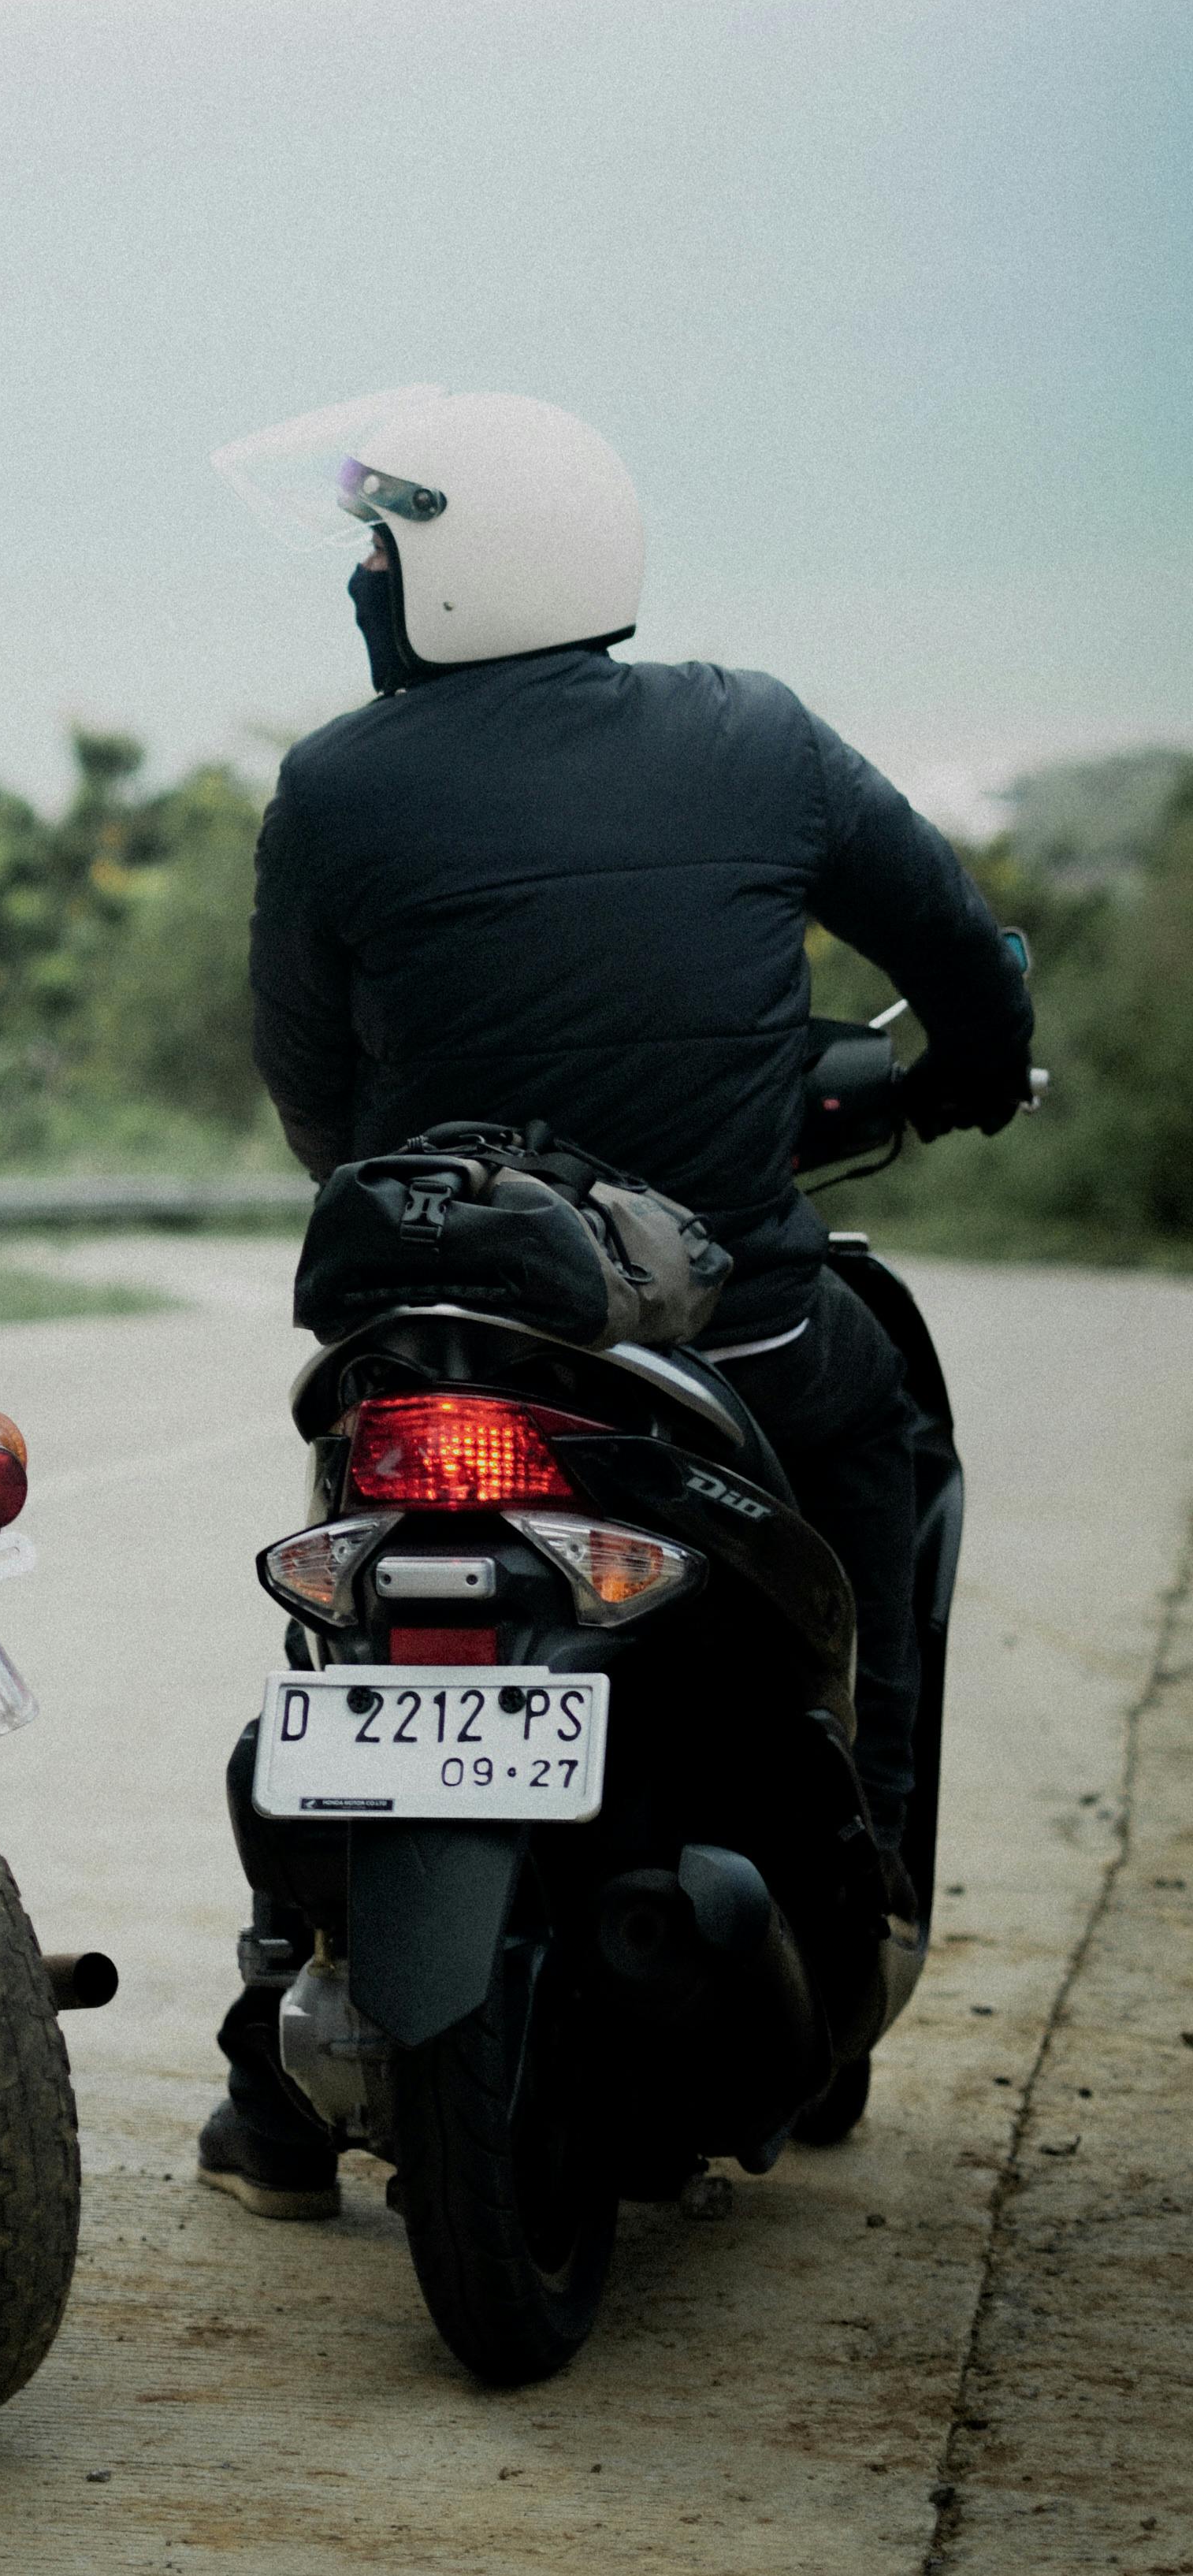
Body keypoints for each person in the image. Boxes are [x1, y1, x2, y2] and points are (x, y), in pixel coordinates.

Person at [192, 384, 1035, 2221]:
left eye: (380, 545)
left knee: (349, 1580)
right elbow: (960, 962)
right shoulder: (755, 736)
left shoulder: (334, 785)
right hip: (717, 1337)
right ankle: (862, 1899)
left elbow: (315, 1096)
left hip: (435, 1331)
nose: (357, 580)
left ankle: (274, 2038)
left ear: (457, 567)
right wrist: (973, 1065)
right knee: (870, 1470)